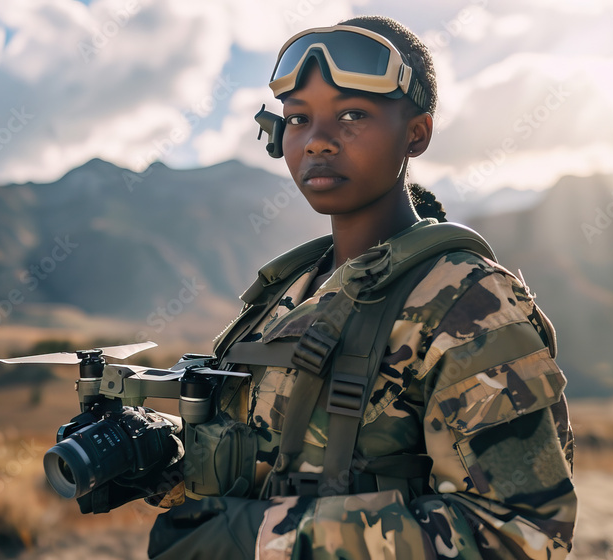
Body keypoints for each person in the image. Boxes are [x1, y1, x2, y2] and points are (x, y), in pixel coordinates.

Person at [146, 15, 576, 560]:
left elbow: (523, 535)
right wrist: (160, 458)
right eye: (298, 119)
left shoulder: (467, 302)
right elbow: (274, 458)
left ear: (415, 134)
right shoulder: (291, 290)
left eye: (352, 115)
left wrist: (266, 539)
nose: (318, 141)